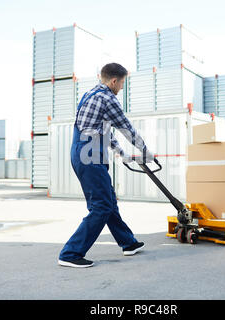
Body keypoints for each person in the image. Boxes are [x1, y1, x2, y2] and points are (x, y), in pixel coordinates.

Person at [58, 63, 154, 268]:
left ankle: (128, 243)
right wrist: (145, 150)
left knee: (108, 201)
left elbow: (103, 131)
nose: (121, 88)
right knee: (101, 206)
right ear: (114, 81)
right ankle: (70, 253)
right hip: (90, 154)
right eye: (122, 83)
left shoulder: (90, 94)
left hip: (84, 150)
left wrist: (123, 154)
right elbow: (126, 128)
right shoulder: (108, 98)